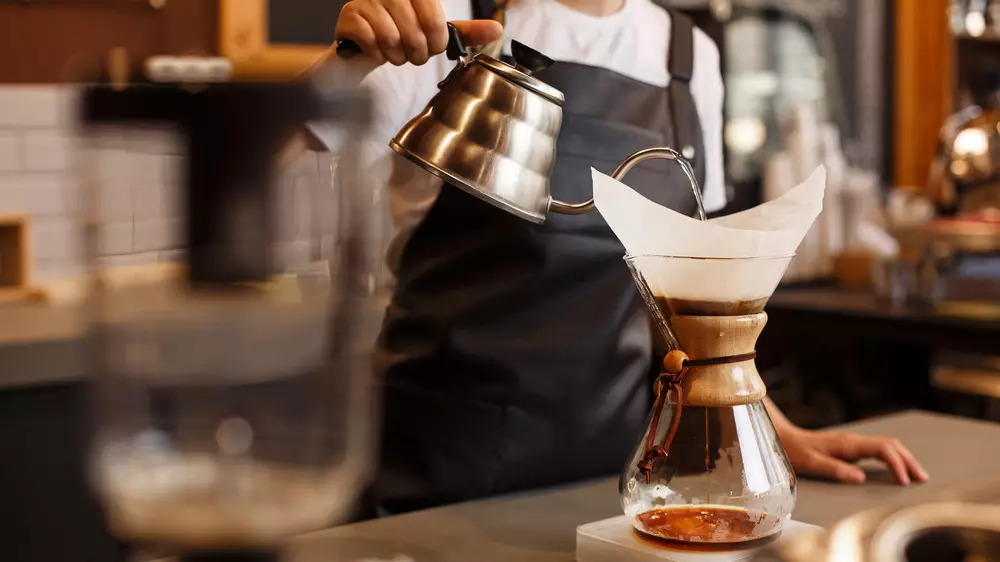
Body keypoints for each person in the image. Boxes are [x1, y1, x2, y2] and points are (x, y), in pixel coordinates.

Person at [309, 0, 928, 516]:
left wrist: (776, 431)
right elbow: (248, 194)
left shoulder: (689, 57)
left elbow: (684, 300)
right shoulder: (441, 20)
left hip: (616, 483)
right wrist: (345, 68)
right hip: (435, 480)